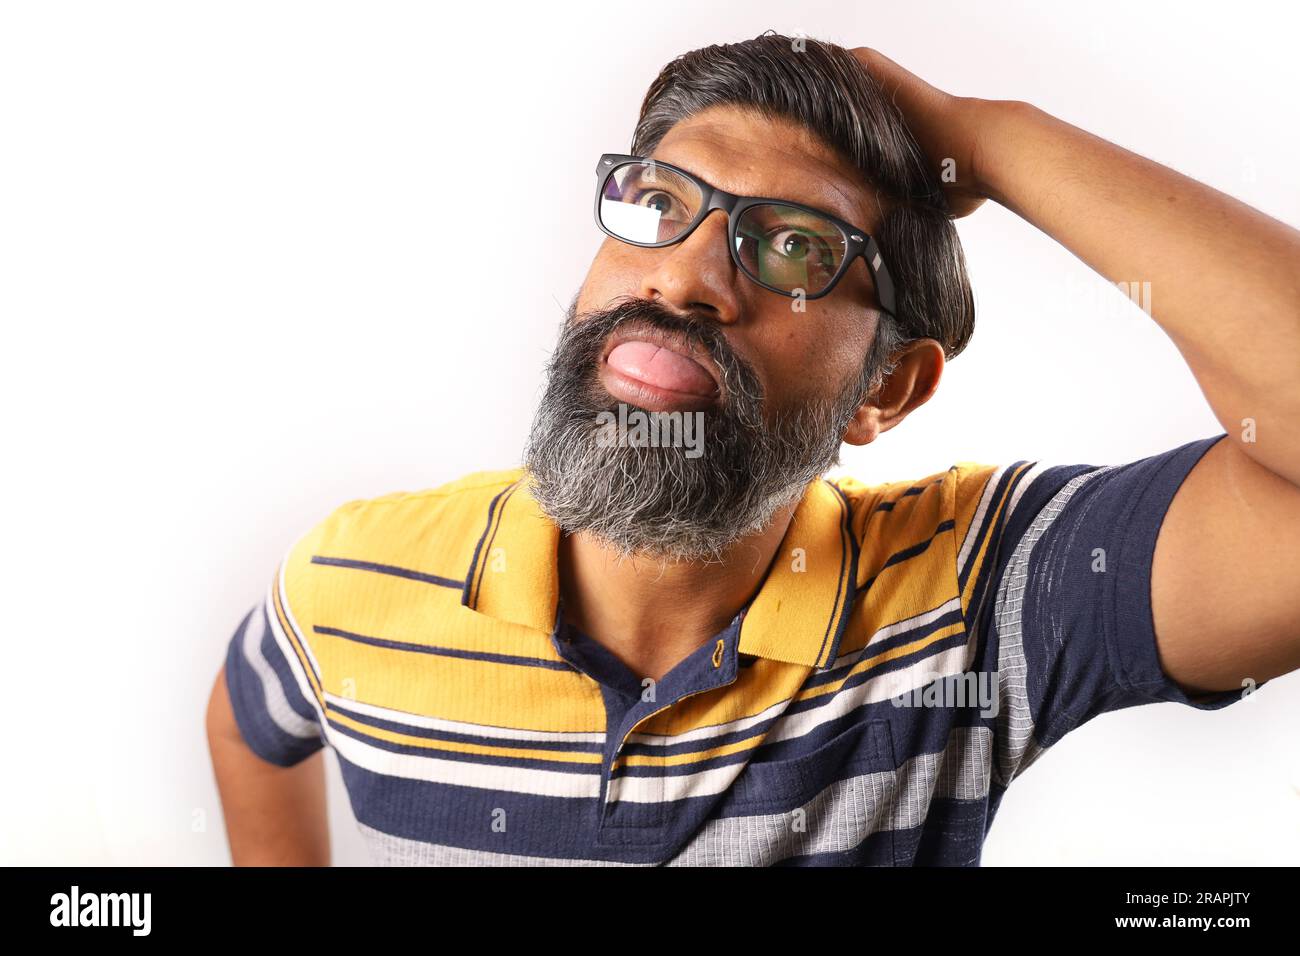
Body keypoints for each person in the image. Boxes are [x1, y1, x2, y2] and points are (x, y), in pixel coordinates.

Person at [206, 32, 1300, 866]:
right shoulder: (353, 574)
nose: (680, 274)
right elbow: (250, 719)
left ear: (886, 388)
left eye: (791, 245)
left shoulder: (976, 599)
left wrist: (986, 135)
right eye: (660, 202)